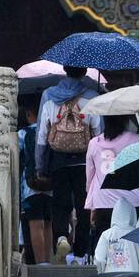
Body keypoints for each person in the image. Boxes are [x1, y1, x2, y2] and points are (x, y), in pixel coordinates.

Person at [36, 66, 102, 264]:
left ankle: (61, 238)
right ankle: (80, 254)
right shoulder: (92, 96)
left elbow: (41, 135)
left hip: (58, 158)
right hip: (84, 159)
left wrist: (40, 166)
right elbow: (98, 133)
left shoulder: (49, 95)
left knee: (60, 204)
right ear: (83, 73)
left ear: (65, 70)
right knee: (84, 206)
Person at [85, 113, 139, 249]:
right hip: (133, 201)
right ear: (125, 119)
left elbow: (90, 177)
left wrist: (92, 205)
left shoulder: (94, 143)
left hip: (103, 202)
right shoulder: (136, 140)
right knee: (133, 245)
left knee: (105, 247)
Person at [19, 99, 50, 266]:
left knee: (35, 223)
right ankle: (48, 259)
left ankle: (40, 262)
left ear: (29, 114)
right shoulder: (49, 131)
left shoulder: (23, 134)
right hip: (51, 183)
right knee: (48, 223)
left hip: (31, 185)